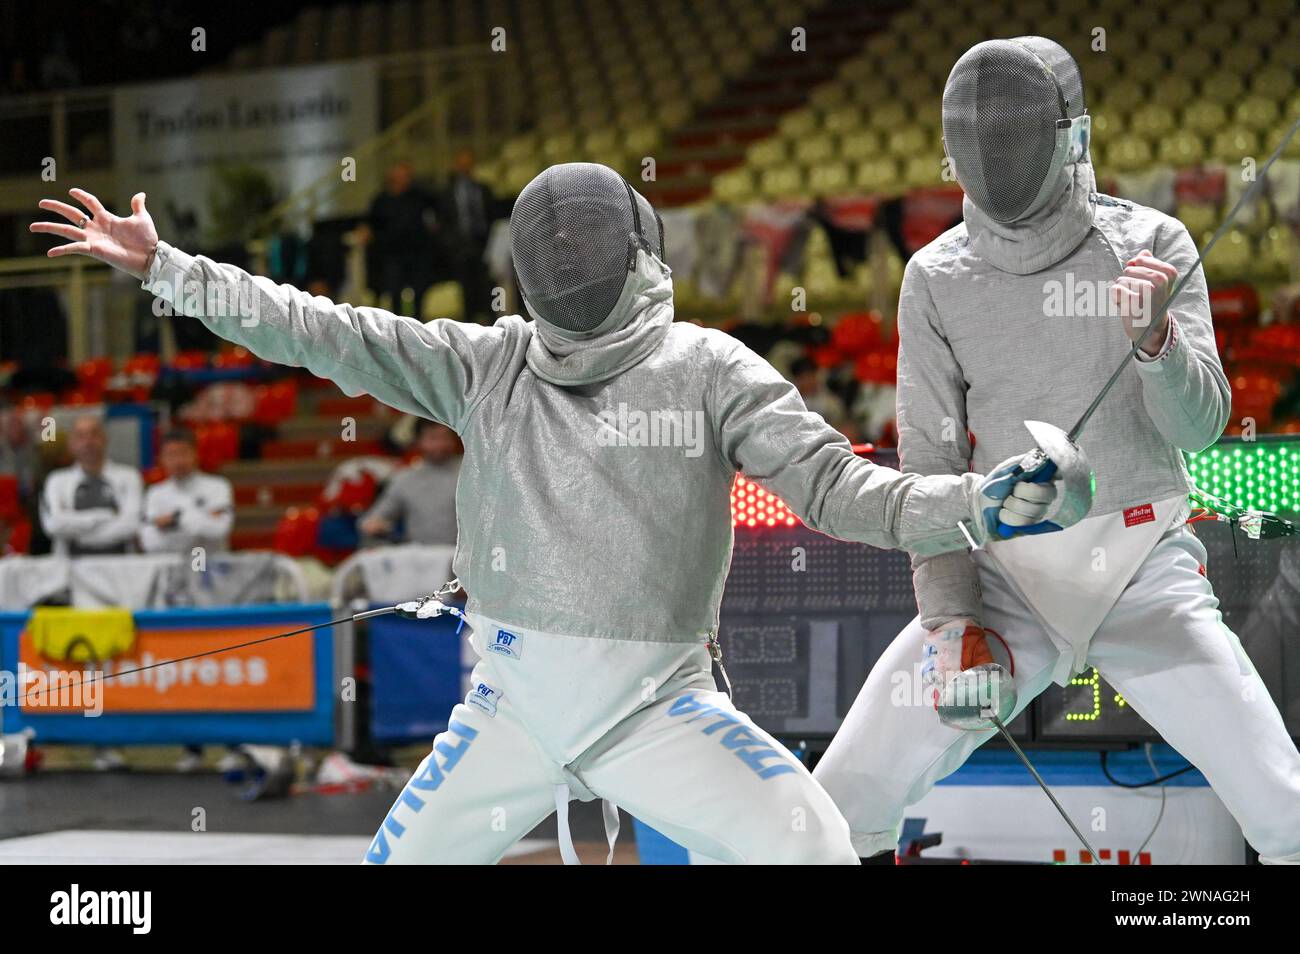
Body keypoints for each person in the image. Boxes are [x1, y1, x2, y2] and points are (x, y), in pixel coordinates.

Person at [31, 165, 1089, 864]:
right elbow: (321, 329)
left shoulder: (710, 372)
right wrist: (170, 270)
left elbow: (845, 492)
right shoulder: (486, 366)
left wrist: (976, 507)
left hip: (658, 714)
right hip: (509, 716)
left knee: (809, 843)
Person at [813, 37, 1300, 865]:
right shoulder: (936, 277)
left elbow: (1203, 425)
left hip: (1144, 567)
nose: (995, 157)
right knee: (837, 800)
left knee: (1284, 802)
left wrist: (1157, 348)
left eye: (1015, 134)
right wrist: (953, 623)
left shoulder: (1155, 242)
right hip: (1007, 577)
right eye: (977, 139)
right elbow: (928, 472)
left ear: (1074, 134)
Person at [40, 414, 142, 558]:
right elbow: (53, 524)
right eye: (80, 436)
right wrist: (103, 516)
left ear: (105, 439)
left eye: (94, 434)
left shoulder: (129, 477)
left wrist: (75, 530)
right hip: (69, 569)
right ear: (71, 443)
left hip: (120, 567)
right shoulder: (56, 480)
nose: (88, 442)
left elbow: (131, 525)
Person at [358, 418, 460, 546]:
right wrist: (374, 525)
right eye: (433, 438)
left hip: (466, 558)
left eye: (445, 437)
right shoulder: (405, 479)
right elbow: (371, 520)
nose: (440, 444)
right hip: (419, 558)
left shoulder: (471, 473)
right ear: (418, 441)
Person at [360, 161, 438, 315]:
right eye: (400, 175)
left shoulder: (419, 196)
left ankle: (417, 324)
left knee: (419, 290)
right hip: (392, 254)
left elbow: (437, 208)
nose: (404, 179)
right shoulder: (381, 200)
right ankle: (398, 327)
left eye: (406, 175)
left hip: (417, 251)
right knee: (394, 291)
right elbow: (371, 223)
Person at [139, 428, 233, 554]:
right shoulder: (155, 493)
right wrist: (203, 517)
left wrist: (173, 521)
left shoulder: (218, 486)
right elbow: (150, 543)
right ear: (161, 458)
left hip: (209, 566)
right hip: (170, 567)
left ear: (195, 454)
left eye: (183, 453)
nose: (178, 461)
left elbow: (219, 530)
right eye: (171, 454)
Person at [437, 150, 497, 322]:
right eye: (461, 164)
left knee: (487, 286)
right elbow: (443, 221)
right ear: (456, 166)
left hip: (483, 245)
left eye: (468, 164)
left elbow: (491, 216)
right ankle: (469, 324)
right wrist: (450, 244)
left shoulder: (483, 190)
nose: (465, 168)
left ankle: (493, 322)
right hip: (460, 246)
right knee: (466, 288)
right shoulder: (447, 193)